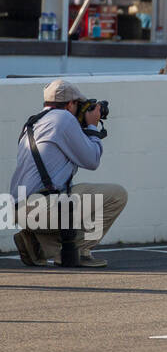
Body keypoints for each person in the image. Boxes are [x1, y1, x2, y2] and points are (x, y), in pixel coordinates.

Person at [10, 80, 127, 268]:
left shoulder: (33, 122)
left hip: (19, 209)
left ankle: (38, 244)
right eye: (79, 105)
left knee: (70, 202)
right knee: (116, 195)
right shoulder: (64, 119)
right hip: (42, 206)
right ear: (71, 104)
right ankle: (77, 251)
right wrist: (92, 126)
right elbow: (92, 160)